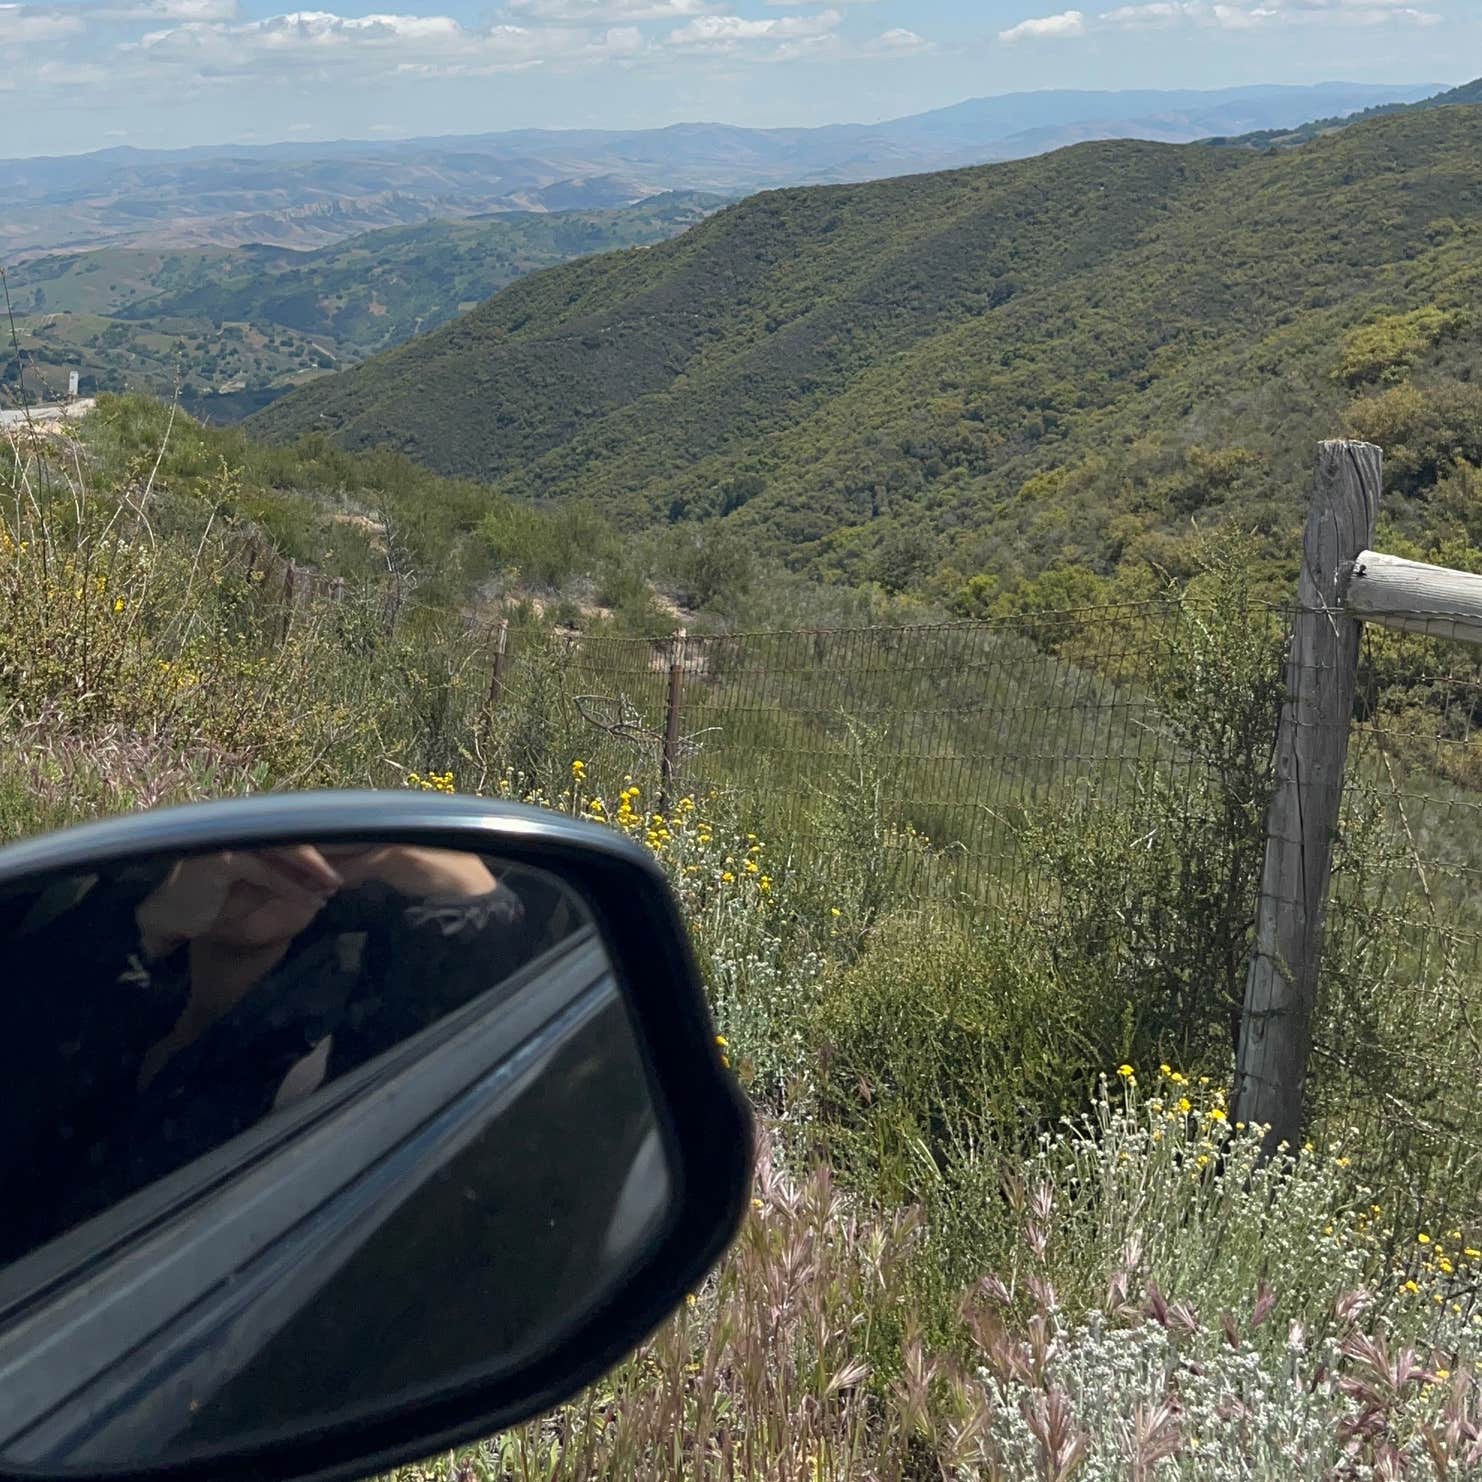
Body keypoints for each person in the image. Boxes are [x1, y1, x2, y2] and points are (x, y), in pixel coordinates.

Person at [0, 842, 581, 1267]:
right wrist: (154, 924)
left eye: (304, 853)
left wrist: (420, 862)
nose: (267, 862)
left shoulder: (327, 1049)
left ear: (333, 887)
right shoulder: (102, 972)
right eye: (244, 844)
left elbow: (453, 1010)